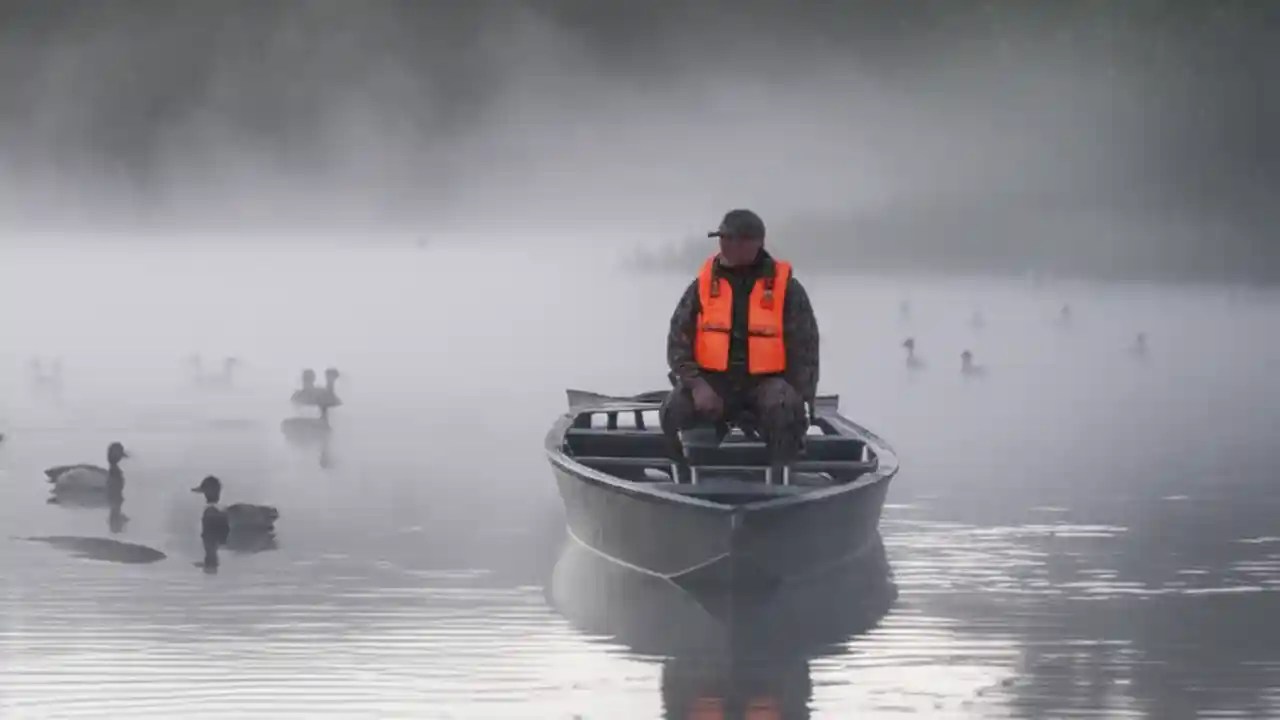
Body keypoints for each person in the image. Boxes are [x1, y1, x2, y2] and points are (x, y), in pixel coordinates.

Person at [660, 208, 820, 478]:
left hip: (765, 383)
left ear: (756, 243)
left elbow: (805, 351)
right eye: (723, 238)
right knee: (674, 410)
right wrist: (697, 385)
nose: (726, 245)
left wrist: (801, 398)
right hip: (712, 381)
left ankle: (781, 480)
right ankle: (686, 478)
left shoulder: (788, 290)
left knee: (784, 408)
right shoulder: (701, 286)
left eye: (735, 239)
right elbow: (678, 344)